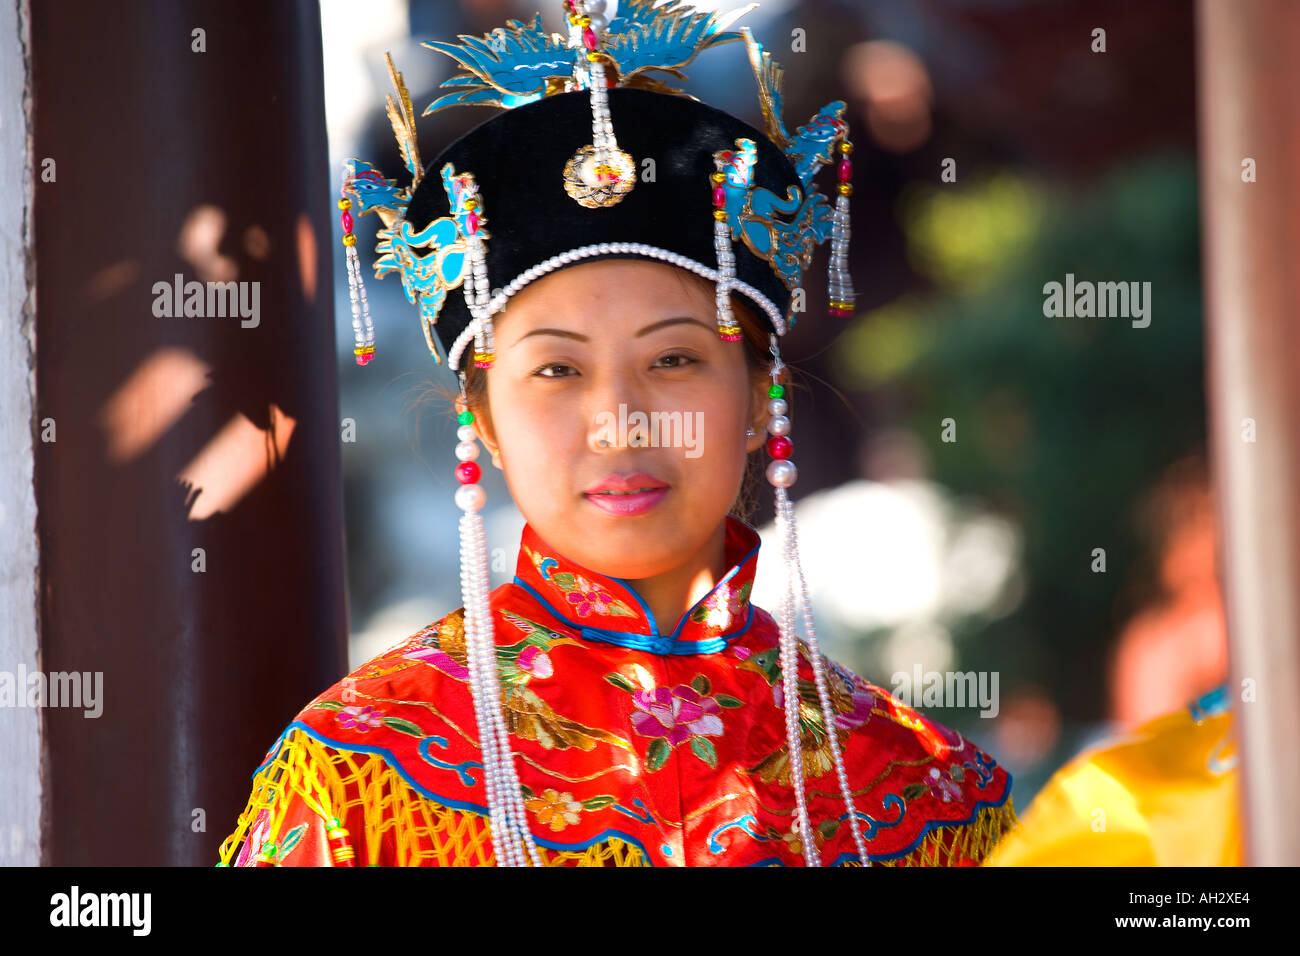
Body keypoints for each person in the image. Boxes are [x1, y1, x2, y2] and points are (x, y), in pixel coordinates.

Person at [217, 0, 1016, 867]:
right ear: (483, 421)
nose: (617, 420)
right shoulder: (360, 776)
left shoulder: (920, 792)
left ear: (757, 400)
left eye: (673, 360)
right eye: (556, 370)